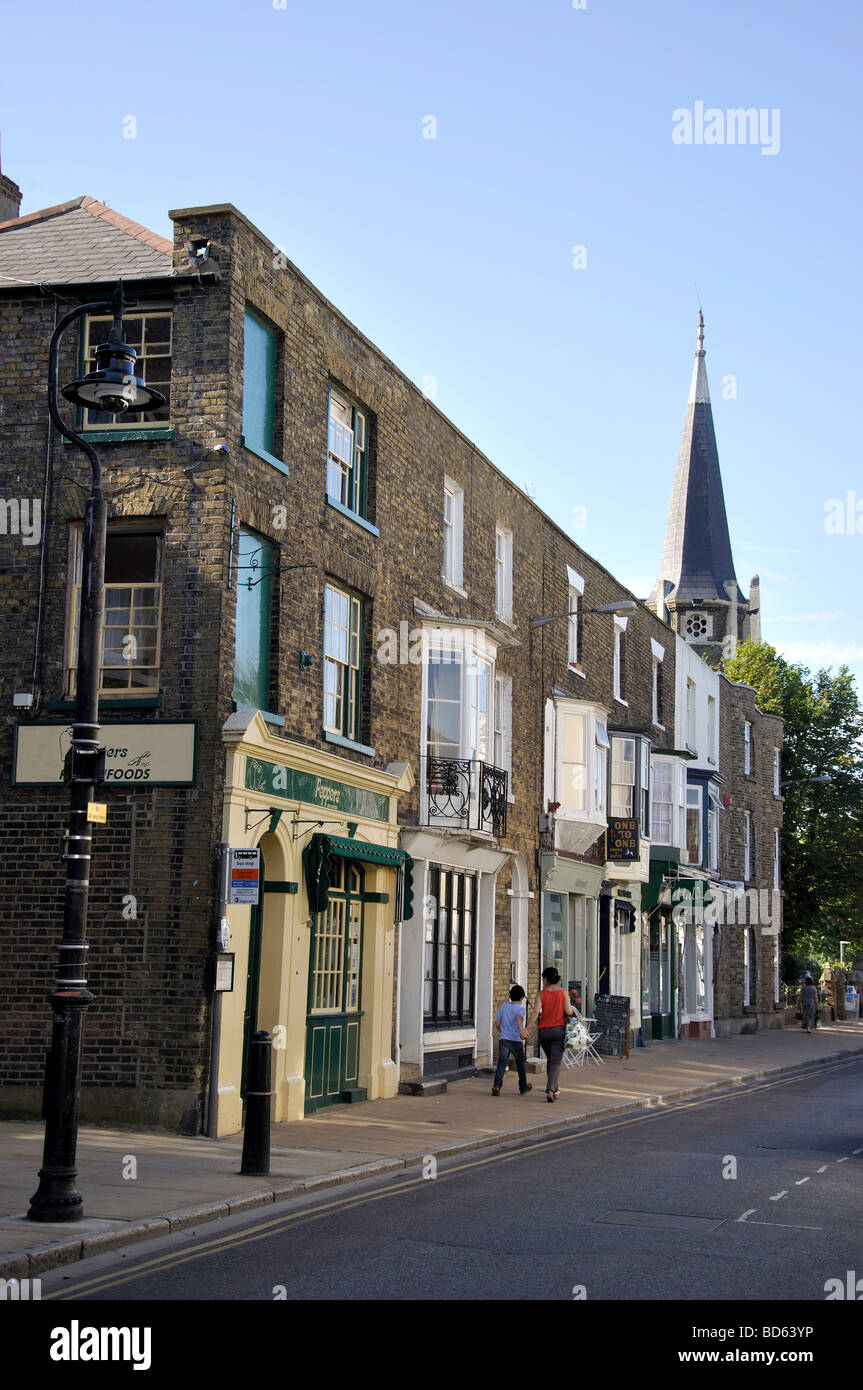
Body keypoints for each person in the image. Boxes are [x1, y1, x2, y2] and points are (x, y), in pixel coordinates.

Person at [527, 966, 574, 1101]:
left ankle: (555, 1088)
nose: (543, 981)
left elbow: (535, 1013)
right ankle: (550, 1089)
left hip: (544, 1032)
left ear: (546, 979)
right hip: (558, 1031)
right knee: (555, 1062)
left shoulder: (541, 994)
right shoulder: (563, 993)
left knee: (551, 1061)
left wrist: (527, 1028)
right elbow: (569, 1011)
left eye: (543, 978)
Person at [491, 985, 532, 1096]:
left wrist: (501, 1031)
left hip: (504, 1039)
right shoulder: (520, 1009)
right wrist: (523, 1032)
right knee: (520, 1064)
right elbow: (519, 1019)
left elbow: (497, 1023)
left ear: (510, 996)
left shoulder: (504, 1007)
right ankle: (523, 1087)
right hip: (515, 1040)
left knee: (502, 1063)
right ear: (521, 998)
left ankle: (497, 1086)